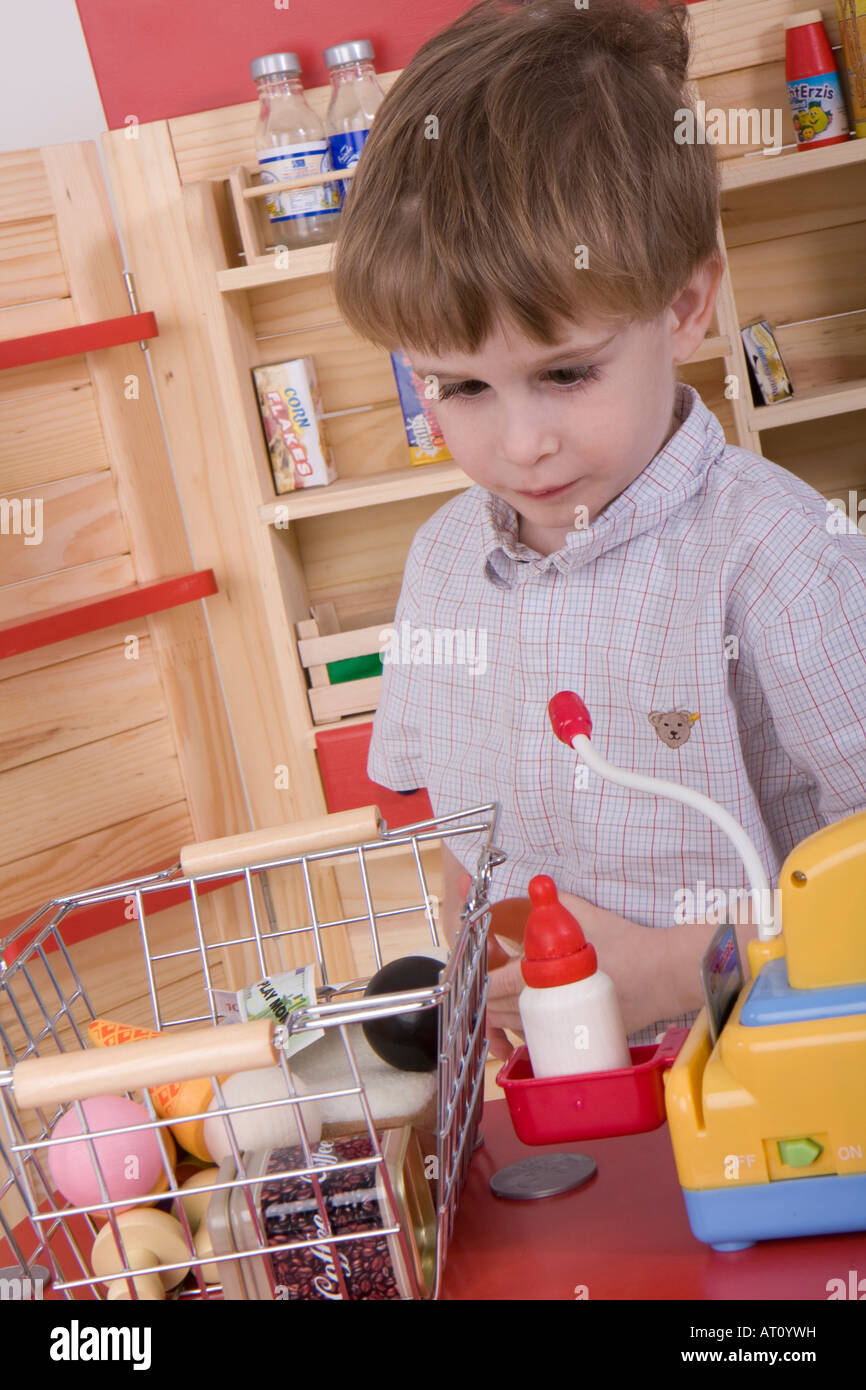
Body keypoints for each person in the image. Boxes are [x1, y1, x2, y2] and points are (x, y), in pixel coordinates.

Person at [332, 0, 866, 1060]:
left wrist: (671, 972)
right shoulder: (441, 563)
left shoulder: (782, 558)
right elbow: (461, 849)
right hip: (551, 1098)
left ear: (682, 305)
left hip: (773, 1086)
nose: (520, 443)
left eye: (564, 373)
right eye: (460, 387)